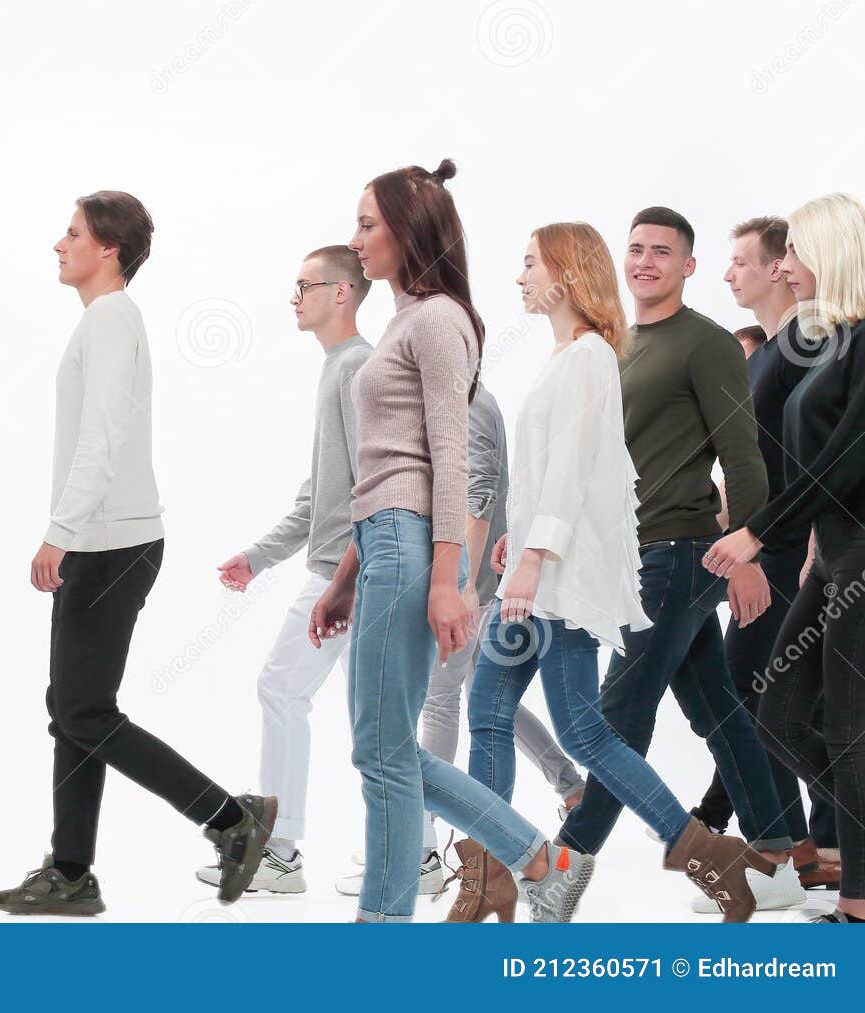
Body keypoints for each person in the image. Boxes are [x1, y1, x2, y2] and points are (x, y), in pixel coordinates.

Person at [466, 222, 777, 922]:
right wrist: (516, 540)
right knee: (487, 706)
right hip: (538, 573)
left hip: (564, 582)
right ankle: (491, 872)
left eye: (528, 265)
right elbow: (551, 469)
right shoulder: (562, 358)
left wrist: (536, 556)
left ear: (567, 276)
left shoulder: (588, 359)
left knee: (587, 730)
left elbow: (578, 472)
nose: (518, 277)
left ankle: (696, 849)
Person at [309, 160, 593, 923]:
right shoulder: (409, 320)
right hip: (384, 542)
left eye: (368, 223)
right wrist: (344, 577)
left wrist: (449, 578)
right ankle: (541, 861)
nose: (356, 238)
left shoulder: (437, 319)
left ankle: (388, 922)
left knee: (382, 750)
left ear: (408, 229)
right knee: (386, 748)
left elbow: (450, 455)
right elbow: (385, 472)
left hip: (409, 548)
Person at [0, 191, 276, 916]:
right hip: (107, 538)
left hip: (109, 540)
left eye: (72, 233)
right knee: (75, 708)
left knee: (82, 710)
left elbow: (103, 434)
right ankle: (72, 871)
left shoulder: (111, 318)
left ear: (107, 249)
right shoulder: (104, 320)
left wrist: (61, 528)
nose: (59, 244)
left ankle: (231, 820)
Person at [553, 207, 800, 911]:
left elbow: (743, 456)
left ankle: (562, 866)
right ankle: (776, 855)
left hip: (680, 551)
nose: (646, 262)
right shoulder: (615, 345)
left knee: (613, 714)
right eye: (635, 249)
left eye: (663, 252)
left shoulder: (708, 343)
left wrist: (750, 549)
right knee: (716, 708)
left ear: (687, 266)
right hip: (629, 557)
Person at [190, 246, 372, 896]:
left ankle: (280, 850)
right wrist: (257, 557)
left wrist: (346, 583)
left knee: (280, 688)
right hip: (344, 572)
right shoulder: (338, 369)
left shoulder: (358, 368)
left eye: (304, 286)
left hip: (347, 575)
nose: (294, 298)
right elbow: (318, 495)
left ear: (343, 292)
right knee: (371, 719)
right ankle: (412, 853)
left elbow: (376, 491)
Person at [705, 192, 865, 924]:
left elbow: (841, 462)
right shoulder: (834, 342)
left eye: (795, 251)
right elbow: (812, 465)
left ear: (829, 252)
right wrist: (801, 544)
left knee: (839, 725)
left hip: (857, 556)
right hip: (828, 556)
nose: (786, 264)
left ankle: (856, 899)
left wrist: (762, 532)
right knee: (782, 715)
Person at [403, 377, 586, 898]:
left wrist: (461, 583)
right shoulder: (452, 400)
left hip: (474, 579)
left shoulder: (472, 403)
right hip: (472, 576)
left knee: (441, 697)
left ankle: (423, 850)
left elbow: (481, 494)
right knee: (478, 694)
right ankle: (571, 788)